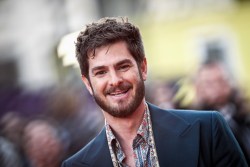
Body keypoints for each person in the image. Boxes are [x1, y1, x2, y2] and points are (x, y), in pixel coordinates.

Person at [61, 17, 247, 167]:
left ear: (143, 68)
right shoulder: (76, 164)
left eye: (123, 66)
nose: (115, 80)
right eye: (101, 72)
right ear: (87, 83)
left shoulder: (206, 130)